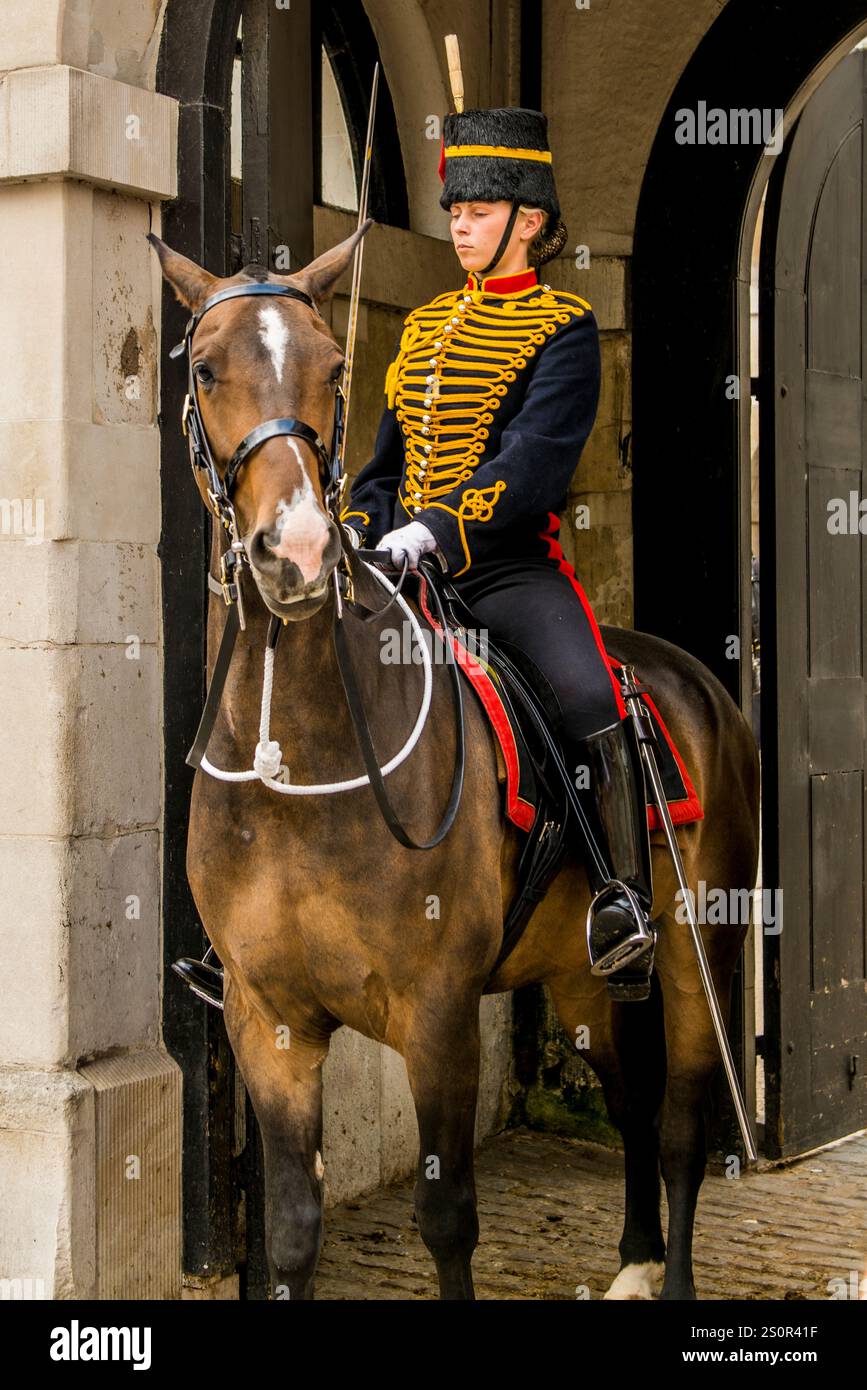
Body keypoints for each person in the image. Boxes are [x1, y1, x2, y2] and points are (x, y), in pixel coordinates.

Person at [340, 105, 655, 1000]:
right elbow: (384, 462)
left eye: (479, 210)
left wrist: (438, 527)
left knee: (591, 695)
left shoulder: (563, 327)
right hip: (401, 568)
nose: (461, 226)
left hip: (505, 570)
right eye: (455, 210)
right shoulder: (423, 327)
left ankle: (617, 894)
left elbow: (533, 466)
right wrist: (365, 528)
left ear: (530, 223)